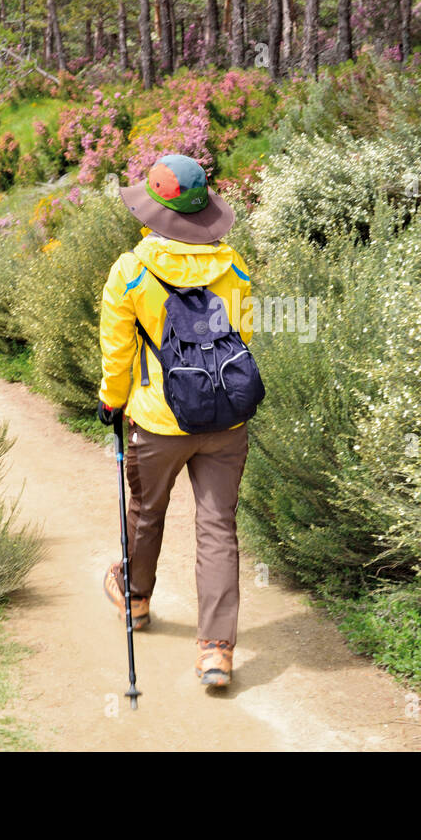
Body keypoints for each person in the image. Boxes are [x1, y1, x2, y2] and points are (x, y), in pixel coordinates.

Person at [97, 154, 262, 688]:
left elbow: (118, 352)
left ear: (154, 212)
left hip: (159, 423)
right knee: (218, 527)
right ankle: (216, 651)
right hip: (225, 422)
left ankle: (136, 599)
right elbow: (244, 340)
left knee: (146, 511)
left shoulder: (130, 272)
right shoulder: (234, 266)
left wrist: (111, 401)